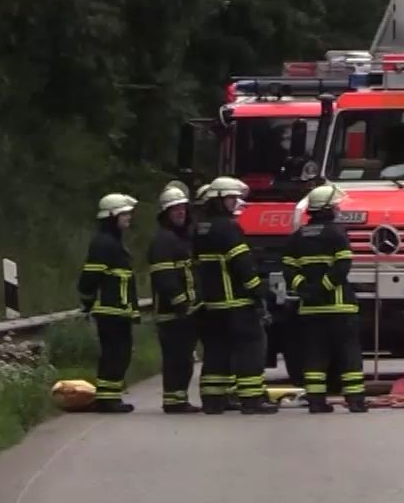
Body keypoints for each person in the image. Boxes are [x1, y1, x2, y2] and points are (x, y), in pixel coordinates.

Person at [192, 176, 274, 414]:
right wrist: (260, 291)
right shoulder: (228, 227)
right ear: (218, 200)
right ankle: (251, 400)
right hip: (237, 304)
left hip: (211, 306)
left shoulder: (201, 229)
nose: (234, 203)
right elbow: (243, 265)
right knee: (251, 348)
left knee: (217, 351)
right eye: (230, 198)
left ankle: (213, 400)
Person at [283, 184, 367, 413]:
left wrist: (305, 289)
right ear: (328, 208)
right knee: (348, 353)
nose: (339, 209)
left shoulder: (297, 237)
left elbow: (288, 270)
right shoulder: (337, 234)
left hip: (310, 309)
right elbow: (343, 266)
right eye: (336, 206)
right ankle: (355, 400)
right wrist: (325, 287)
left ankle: (316, 401)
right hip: (339, 307)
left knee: (314, 356)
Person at [77, 193, 141, 413]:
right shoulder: (104, 244)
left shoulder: (112, 242)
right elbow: (89, 278)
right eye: (125, 214)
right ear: (112, 215)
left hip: (118, 310)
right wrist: (88, 302)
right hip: (110, 311)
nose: (128, 218)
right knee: (115, 354)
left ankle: (110, 397)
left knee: (119, 354)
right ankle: (108, 400)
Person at [147, 182, 201, 413]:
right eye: (175, 209)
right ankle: (172, 401)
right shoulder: (163, 241)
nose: (180, 212)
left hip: (185, 311)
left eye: (183, 208)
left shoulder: (181, 239)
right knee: (175, 358)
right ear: (165, 213)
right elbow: (165, 279)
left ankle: (179, 399)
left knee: (184, 358)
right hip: (171, 313)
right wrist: (181, 304)